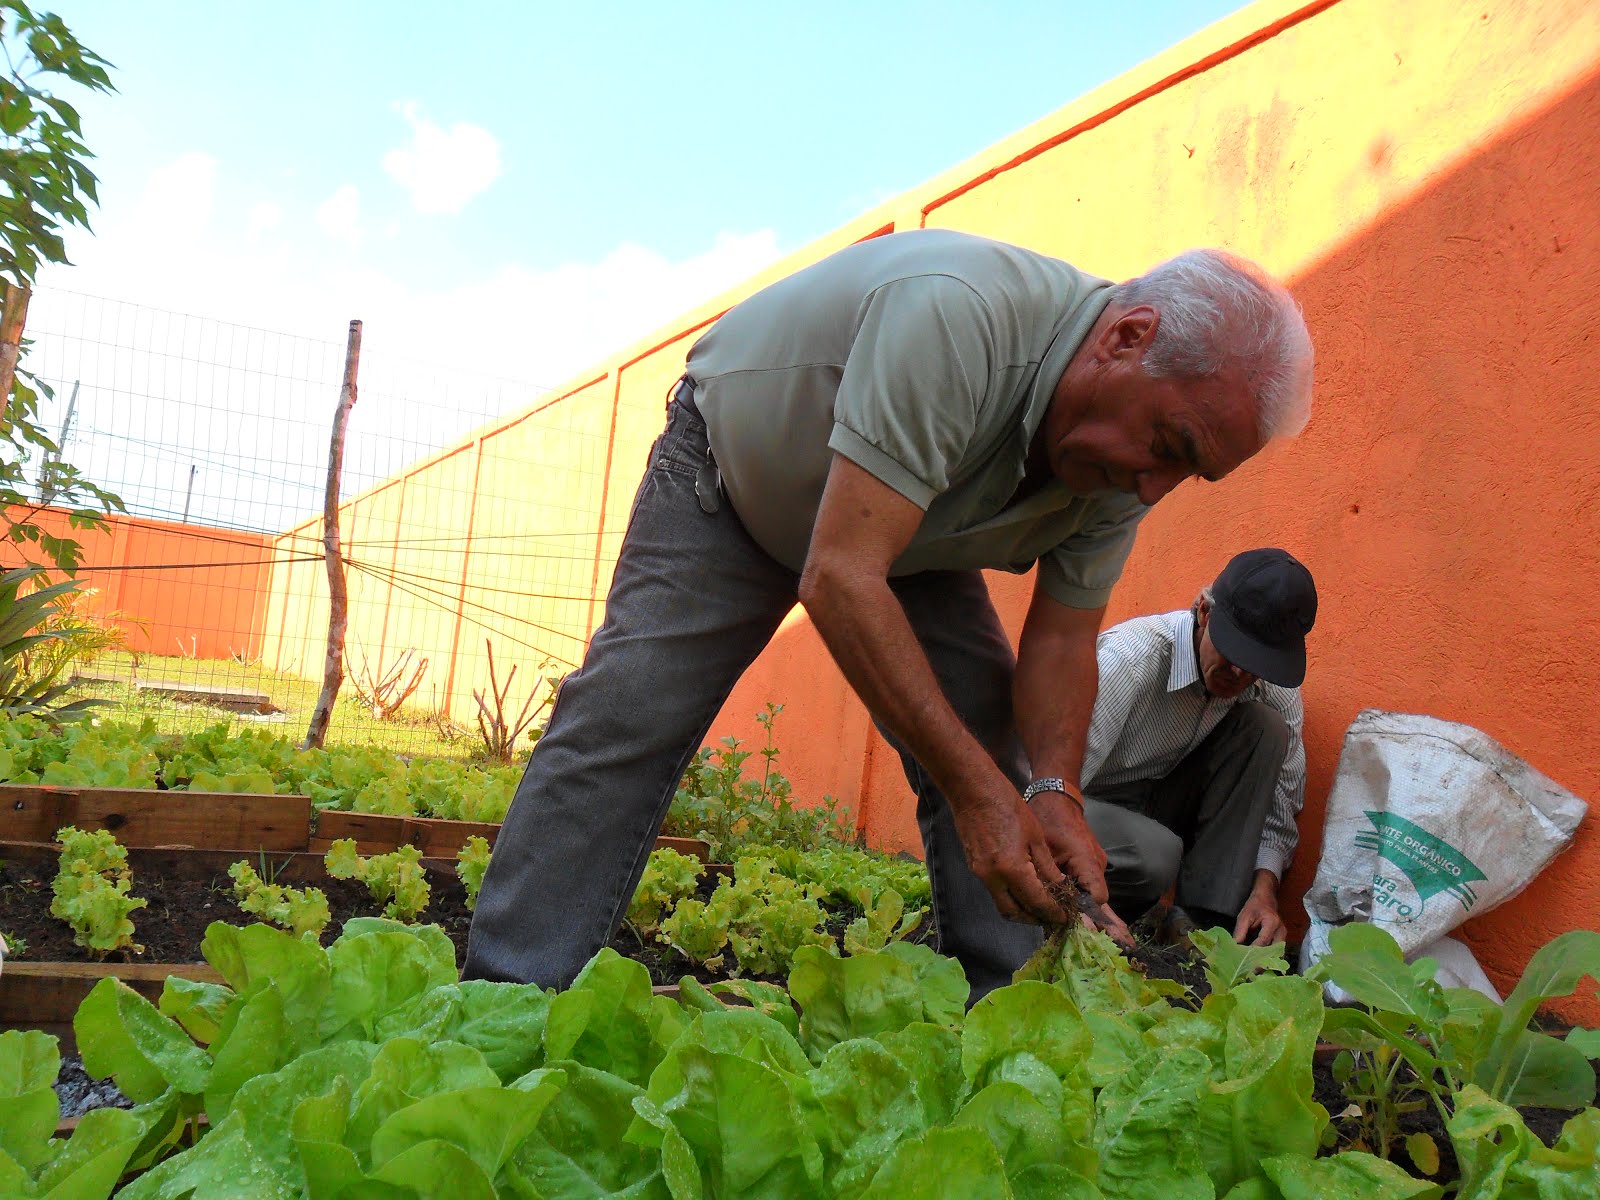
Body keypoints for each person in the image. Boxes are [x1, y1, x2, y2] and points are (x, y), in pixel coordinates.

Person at [464, 228, 1314, 998]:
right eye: (1168, 447)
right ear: (1128, 337)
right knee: (629, 709)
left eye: (1188, 472)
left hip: (906, 536)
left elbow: (1061, 639)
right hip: (739, 478)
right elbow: (838, 575)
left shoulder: (1122, 467)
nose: (1154, 487)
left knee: (995, 752)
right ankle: (506, 994)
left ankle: (1009, 1018)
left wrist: (1052, 794)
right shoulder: (959, 316)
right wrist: (982, 796)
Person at [1081, 548, 1317, 946]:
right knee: (1157, 854)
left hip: (1159, 801)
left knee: (1266, 727)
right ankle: (1097, 914)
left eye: (1257, 662)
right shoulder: (1129, 660)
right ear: (1204, 612)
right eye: (1234, 651)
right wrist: (1079, 899)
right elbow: (1047, 789)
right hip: (1085, 800)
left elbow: (1279, 810)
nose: (1240, 673)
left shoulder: (1272, 687)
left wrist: (1265, 893)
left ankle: (1197, 933)